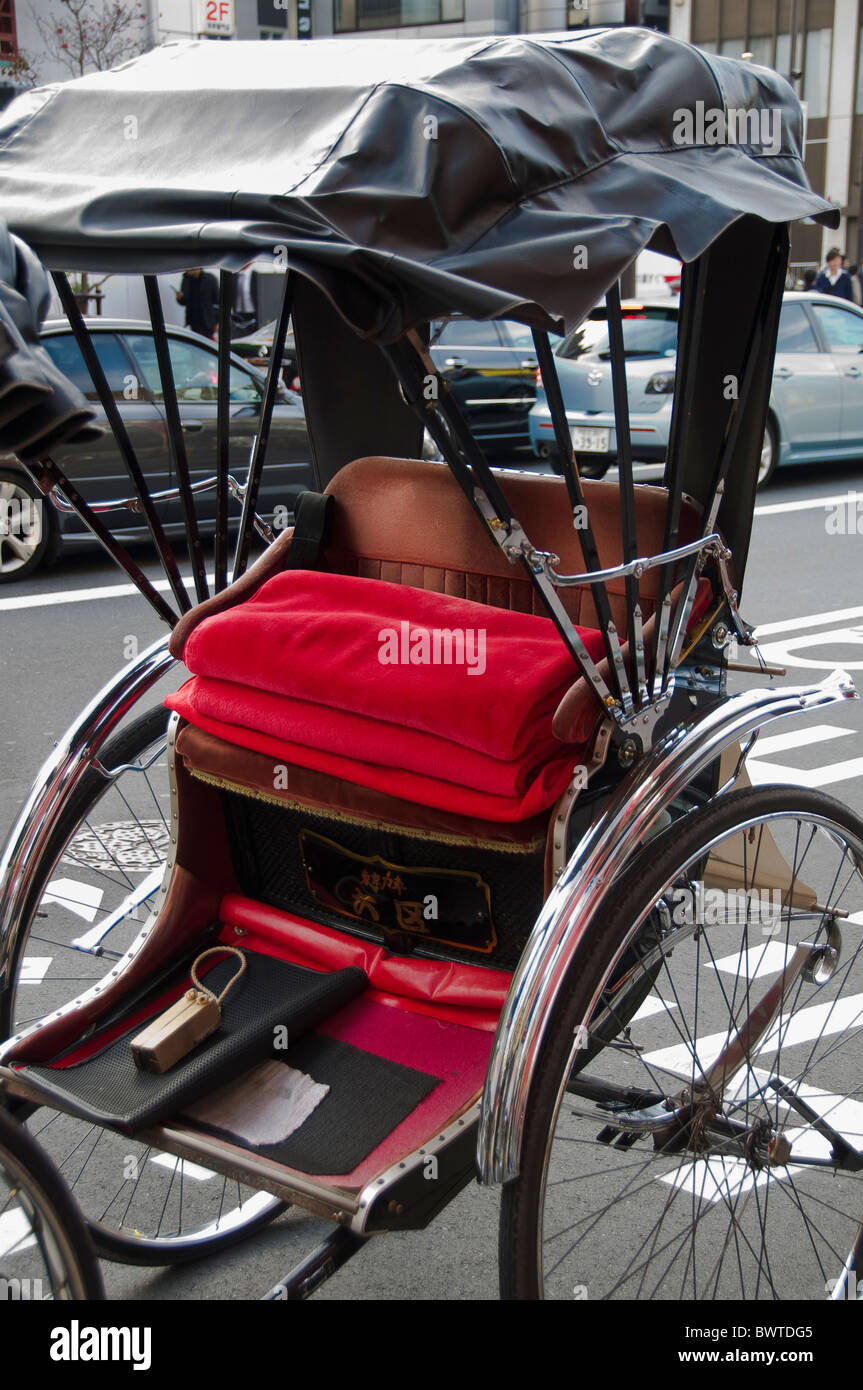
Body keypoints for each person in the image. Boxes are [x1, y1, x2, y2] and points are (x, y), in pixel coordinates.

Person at [174, 268, 219, 338]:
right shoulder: (186, 279)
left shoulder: (210, 279)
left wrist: (217, 322)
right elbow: (184, 301)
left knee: (206, 340)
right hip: (193, 320)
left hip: (207, 320)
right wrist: (180, 298)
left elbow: (218, 302)